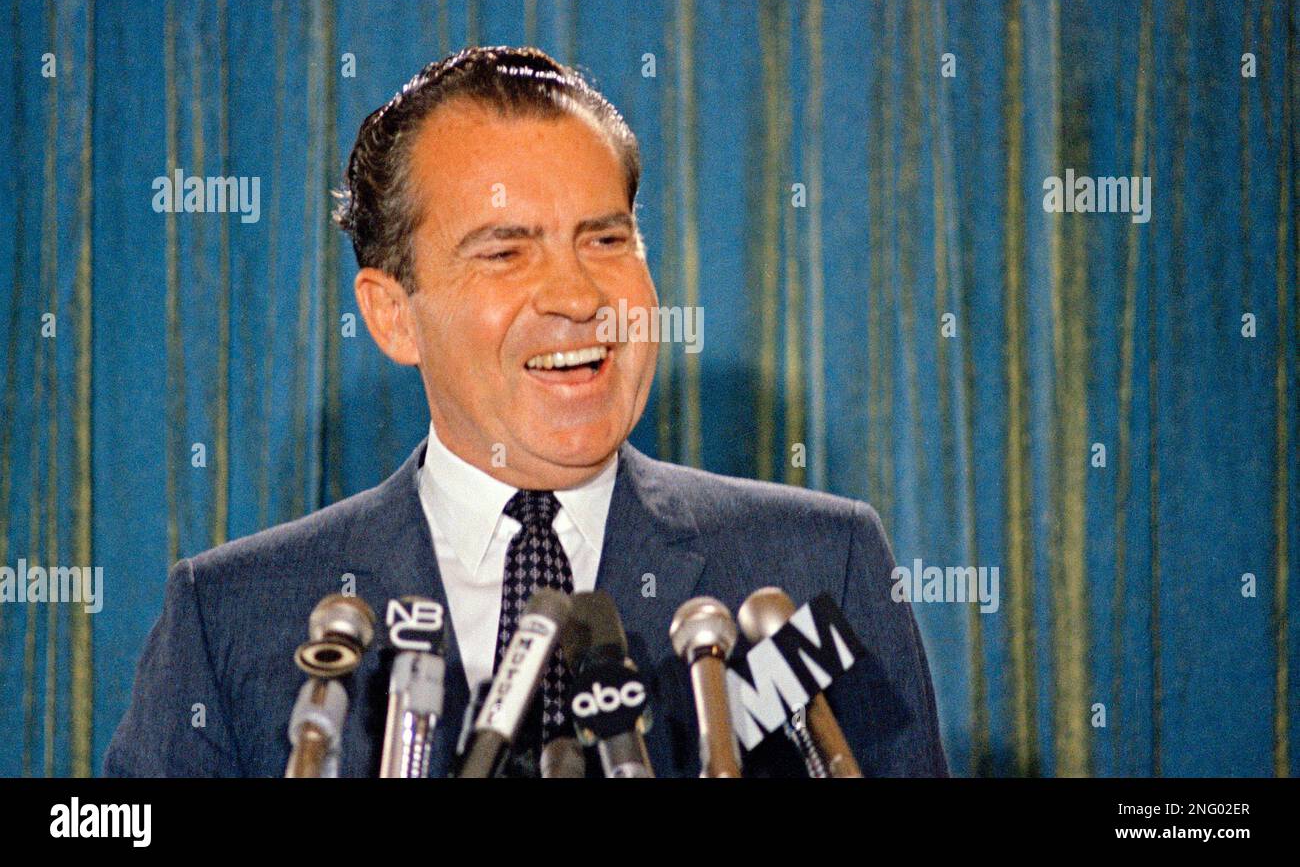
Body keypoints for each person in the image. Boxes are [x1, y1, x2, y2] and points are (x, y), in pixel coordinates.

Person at [104, 45, 947, 777]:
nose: (578, 296)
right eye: (507, 252)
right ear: (393, 314)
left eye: (606, 239)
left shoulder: (817, 567)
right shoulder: (233, 615)